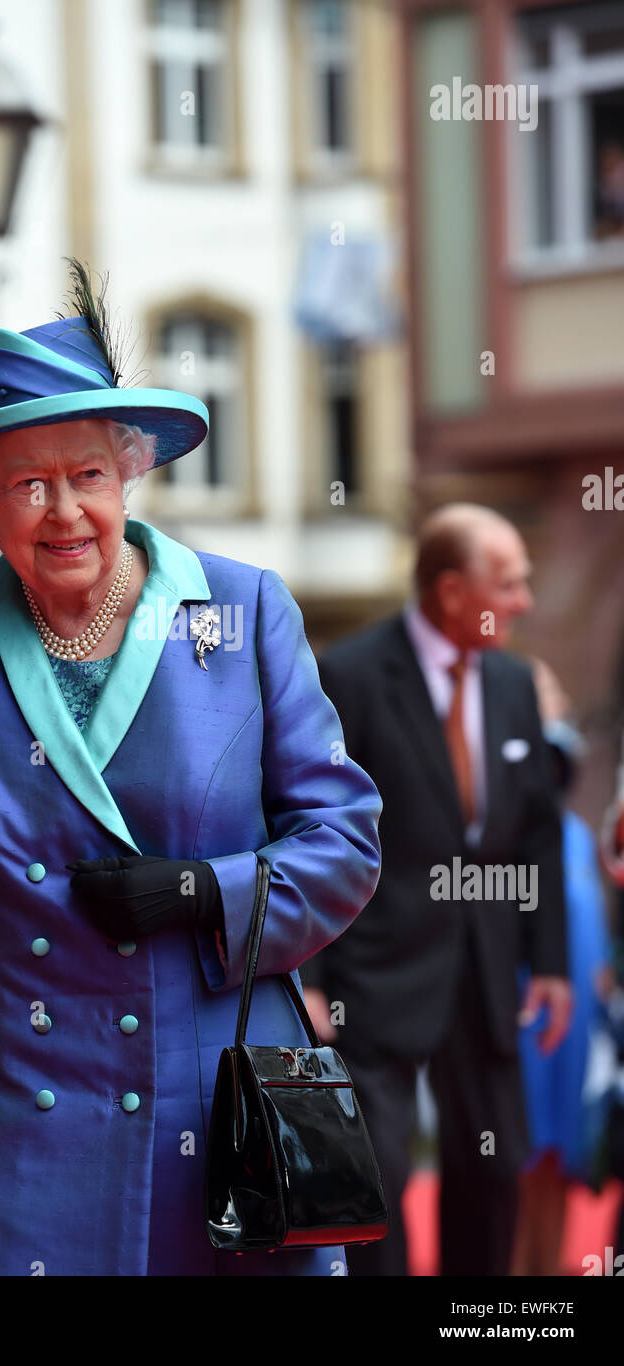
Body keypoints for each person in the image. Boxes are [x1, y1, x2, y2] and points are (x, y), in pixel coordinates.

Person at [0, 261, 382, 1277]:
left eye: (88, 476)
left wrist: (210, 890)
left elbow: (345, 841)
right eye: (28, 483)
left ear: (130, 473)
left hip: (206, 1118)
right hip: (15, 1122)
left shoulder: (242, 613)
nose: (64, 511)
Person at [301, 503, 572, 1276]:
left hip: (486, 971)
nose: (523, 602)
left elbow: (538, 833)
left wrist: (547, 961)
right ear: (453, 591)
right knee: (379, 1173)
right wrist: (310, 976)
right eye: (509, 583)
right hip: (374, 971)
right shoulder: (348, 675)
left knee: (492, 1166)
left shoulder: (517, 683)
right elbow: (308, 828)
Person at [511, 659, 614, 1275]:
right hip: (524, 1010)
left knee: (560, 1160)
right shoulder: (507, 830)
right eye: (546, 689)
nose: (561, 698)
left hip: (579, 1022)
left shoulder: (575, 835)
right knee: (518, 1156)